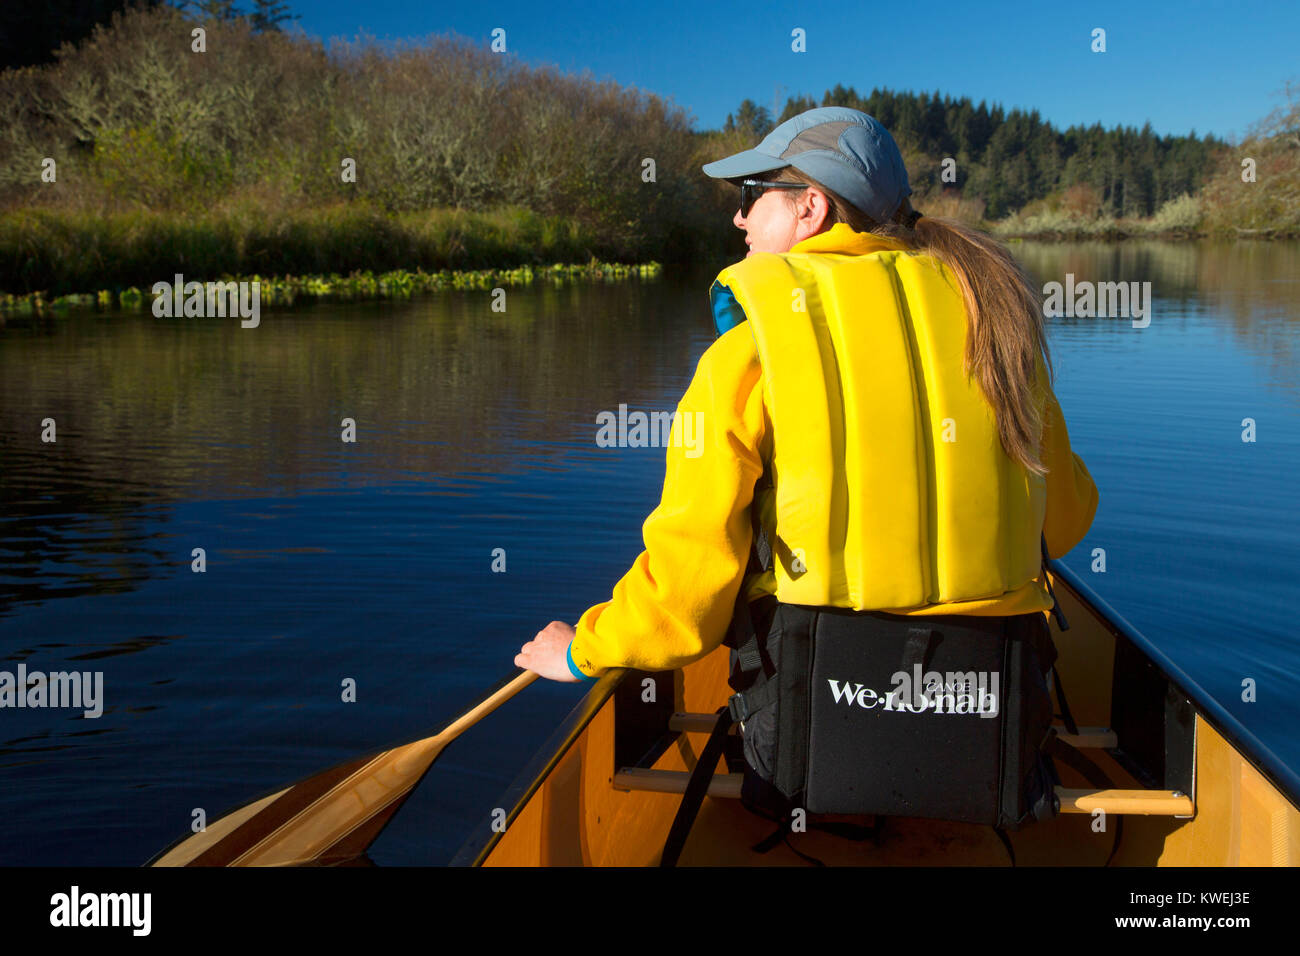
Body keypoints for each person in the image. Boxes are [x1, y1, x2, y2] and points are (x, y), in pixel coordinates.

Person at [515, 107, 1098, 693]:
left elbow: (684, 598)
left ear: (810, 206)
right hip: (995, 713)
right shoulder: (996, 327)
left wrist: (580, 651)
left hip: (818, 722)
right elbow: (1065, 520)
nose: (739, 217)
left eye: (752, 194)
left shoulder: (747, 355)